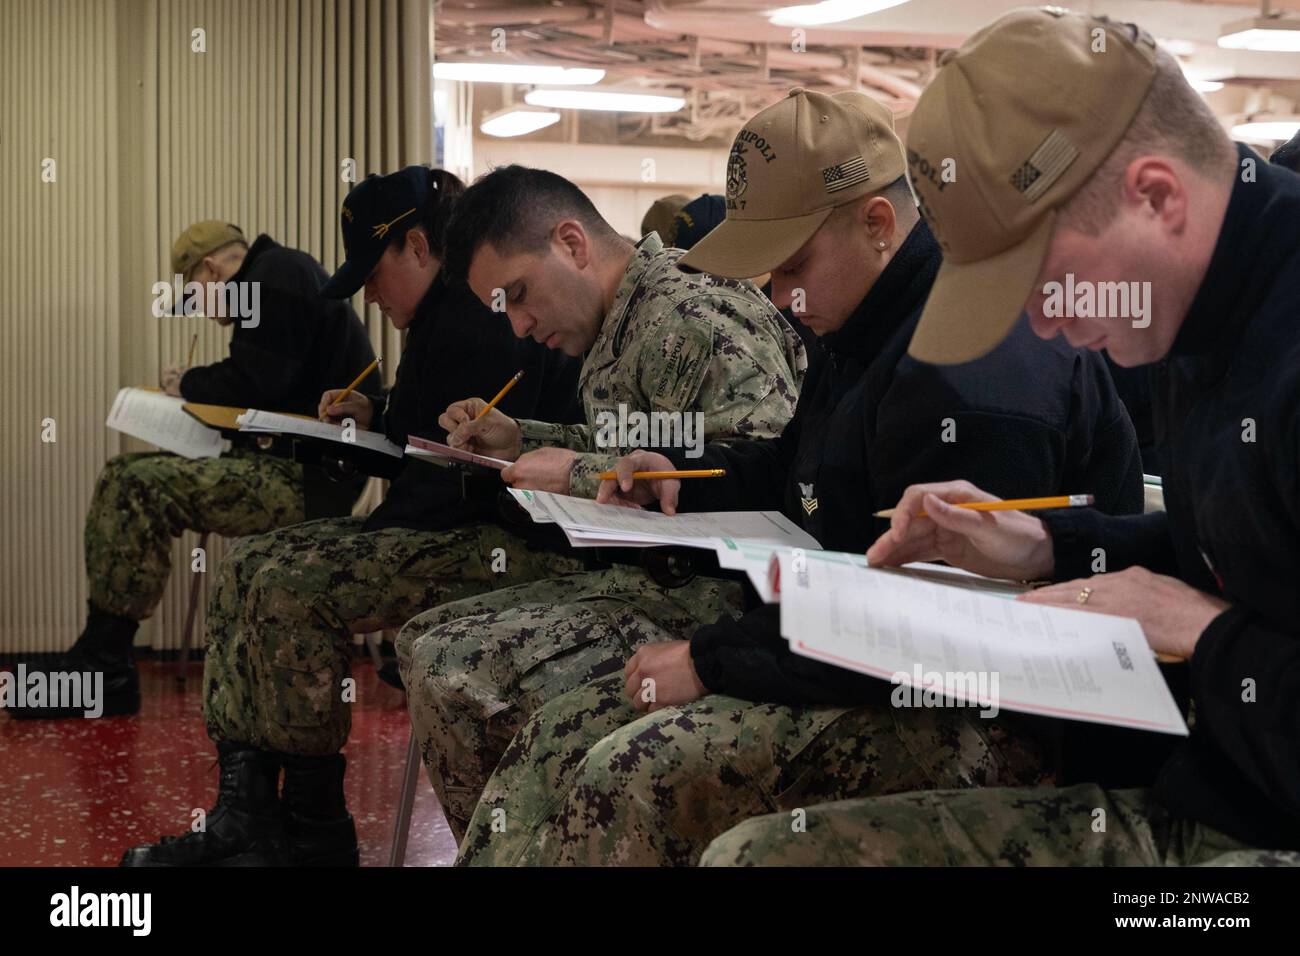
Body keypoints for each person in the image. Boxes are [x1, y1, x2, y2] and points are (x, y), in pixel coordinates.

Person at [446, 88, 1143, 866]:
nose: (778, 298)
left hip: (995, 710)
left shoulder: (968, 371)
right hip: (862, 633)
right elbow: (797, 471)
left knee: (633, 772)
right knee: (561, 734)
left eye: (792, 267)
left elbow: (942, 618)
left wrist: (715, 660)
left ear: (877, 225)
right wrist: (682, 474)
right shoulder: (865, 324)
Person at [703, 8, 1300, 867]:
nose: (1044, 327)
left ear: (1158, 197)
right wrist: (1047, 544)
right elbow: (1251, 554)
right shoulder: (1196, 301)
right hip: (1217, 791)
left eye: (1048, 280)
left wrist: (1204, 636)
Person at [119, 166, 582, 867]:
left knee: (290, 583)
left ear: (418, 248)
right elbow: (429, 428)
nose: (366, 291)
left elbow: (451, 478)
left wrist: (371, 516)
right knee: (248, 564)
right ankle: (249, 811)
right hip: (453, 523)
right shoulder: (440, 316)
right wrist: (378, 413)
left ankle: (313, 827)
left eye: (374, 271)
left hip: (501, 539)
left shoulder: (472, 316)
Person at [395, 164, 808, 840]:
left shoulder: (693, 312)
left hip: (715, 599)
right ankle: (523, 844)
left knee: (451, 665)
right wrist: (525, 437)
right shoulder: (624, 313)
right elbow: (646, 438)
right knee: (421, 647)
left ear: (572, 242)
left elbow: (758, 471)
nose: (522, 326)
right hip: (647, 579)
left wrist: (580, 472)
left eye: (521, 295)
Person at [4, 221, 378, 720]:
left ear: (209, 268)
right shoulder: (276, 272)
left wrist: (188, 383)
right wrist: (198, 386)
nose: (198, 306)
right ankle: (103, 658)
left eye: (194, 294)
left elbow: (255, 380)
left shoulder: (274, 275)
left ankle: (104, 665)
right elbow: (264, 382)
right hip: (289, 467)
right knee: (130, 476)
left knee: (131, 483)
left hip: (304, 482)